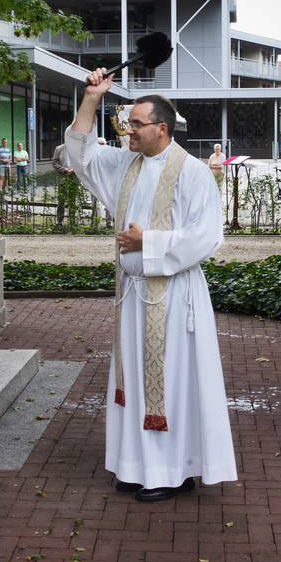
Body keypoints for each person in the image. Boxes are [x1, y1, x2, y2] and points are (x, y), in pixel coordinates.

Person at [64, 68, 236, 501]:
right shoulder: (126, 164)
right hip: (134, 295)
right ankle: (136, 466)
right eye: (127, 124)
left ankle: (172, 473)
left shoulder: (193, 173)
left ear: (163, 127)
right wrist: (91, 99)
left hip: (175, 298)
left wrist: (149, 241)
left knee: (171, 381)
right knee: (134, 383)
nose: (128, 131)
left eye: (136, 124)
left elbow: (208, 235)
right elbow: (80, 155)